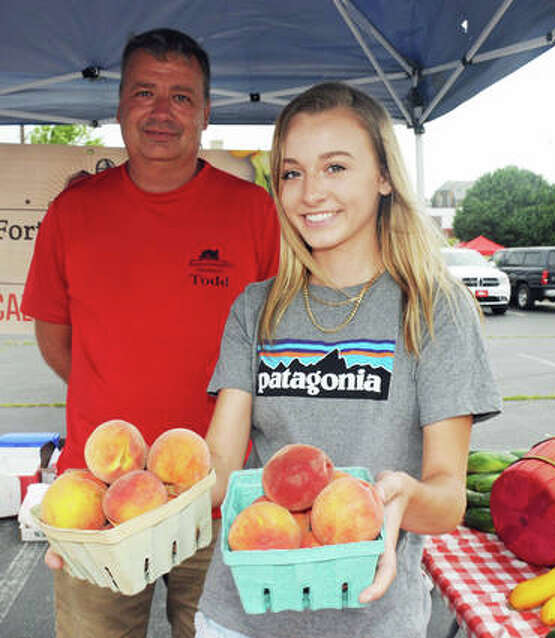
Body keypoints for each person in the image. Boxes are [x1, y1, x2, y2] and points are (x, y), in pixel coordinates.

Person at [194, 82, 503, 637]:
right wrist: (132, 508)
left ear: (384, 177)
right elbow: (217, 469)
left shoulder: (433, 308)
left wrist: (403, 497)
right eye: (292, 173)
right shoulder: (255, 308)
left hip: (372, 617)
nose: (310, 192)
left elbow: (447, 498)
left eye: (335, 167)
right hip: (242, 615)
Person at [22, 28, 281, 638]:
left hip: (220, 498)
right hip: (99, 500)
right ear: (118, 107)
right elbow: (56, 339)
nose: (162, 111)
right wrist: (115, 393)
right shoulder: (73, 212)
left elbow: (279, 340)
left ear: (206, 113)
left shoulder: (253, 212)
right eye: (144, 92)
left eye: (181, 97)